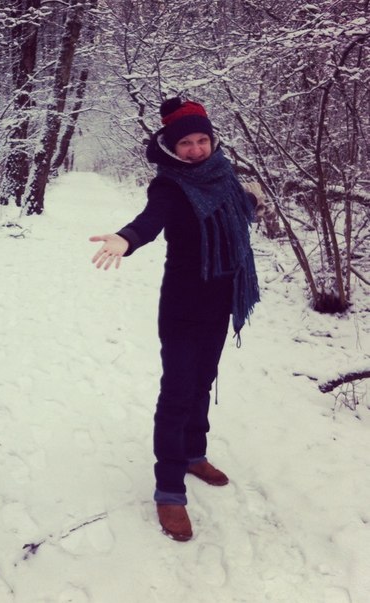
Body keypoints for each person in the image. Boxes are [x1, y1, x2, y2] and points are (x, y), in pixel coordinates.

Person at [89, 97, 261, 541]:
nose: (196, 149)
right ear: (171, 146)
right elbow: (152, 219)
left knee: (203, 381)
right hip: (183, 306)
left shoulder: (223, 176)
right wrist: (127, 239)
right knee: (178, 391)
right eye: (186, 143)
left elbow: (232, 214)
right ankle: (169, 488)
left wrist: (251, 201)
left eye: (203, 139)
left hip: (221, 299)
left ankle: (193, 453)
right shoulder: (168, 186)